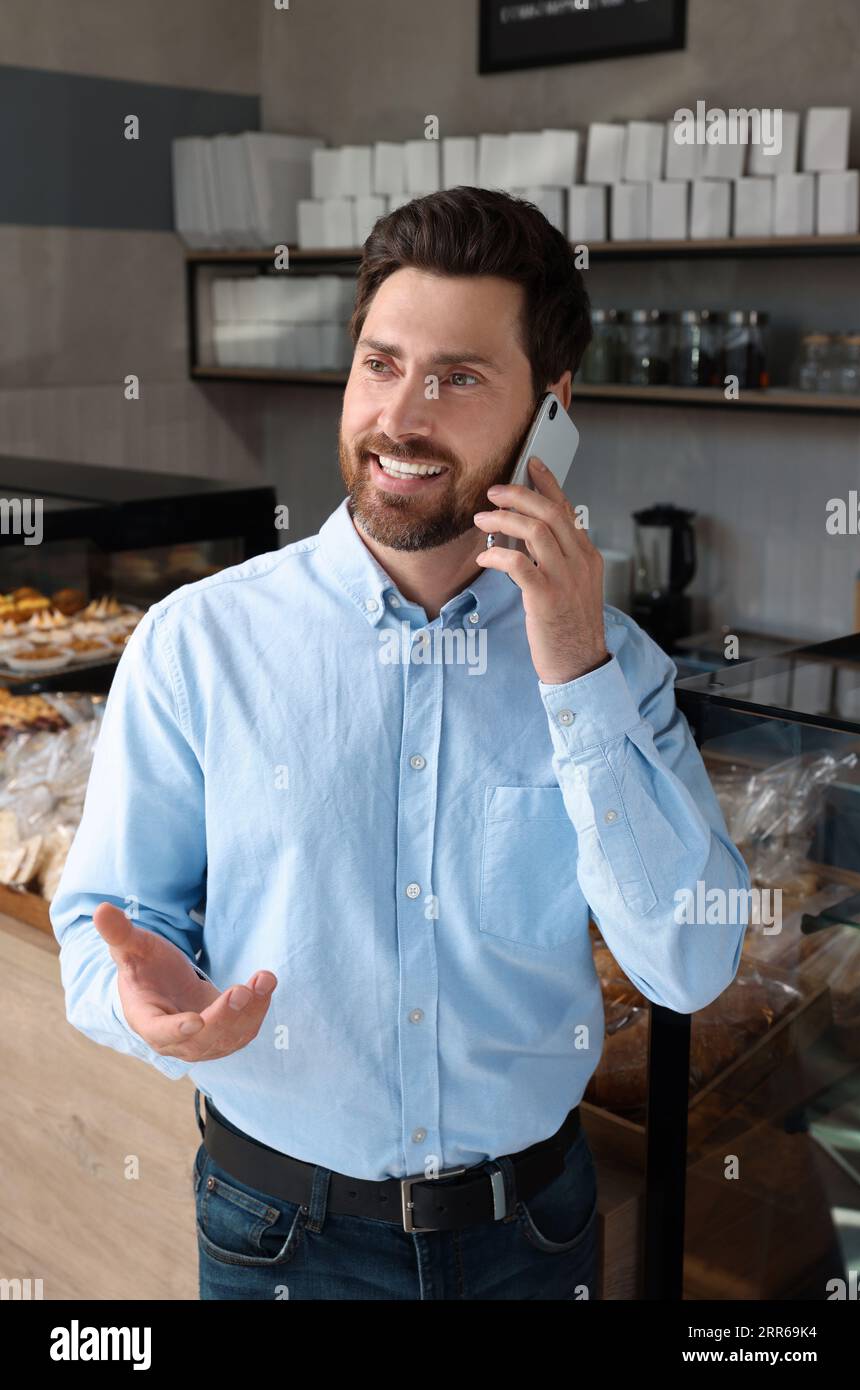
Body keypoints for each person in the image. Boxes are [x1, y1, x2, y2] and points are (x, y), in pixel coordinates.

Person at [50, 186, 750, 1301]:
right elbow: (102, 927)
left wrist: (573, 672)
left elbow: (690, 964)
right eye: (380, 364)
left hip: (534, 1234)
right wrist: (146, 1009)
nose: (401, 416)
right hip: (280, 1233)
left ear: (551, 408)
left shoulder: (614, 666)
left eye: (459, 378)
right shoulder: (200, 641)